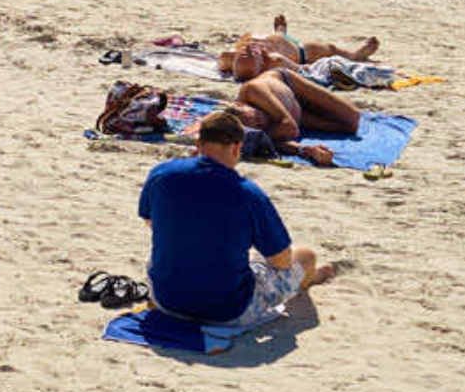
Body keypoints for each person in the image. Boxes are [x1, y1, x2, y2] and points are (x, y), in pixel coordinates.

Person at [138, 108, 334, 328]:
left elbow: (151, 222)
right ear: (237, 147)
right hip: (227, 310)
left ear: (199, 144)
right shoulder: (247, 193)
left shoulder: (161, 173)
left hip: (167, 301)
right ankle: (311, 277)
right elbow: (281, 261)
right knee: (305, 256)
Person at [230, 69, 360, 165]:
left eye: (258, 116)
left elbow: (289, 127)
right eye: (259, 125)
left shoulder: (253, 90)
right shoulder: (251, 125)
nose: (263, 120)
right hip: (295, 113)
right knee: (348, 127)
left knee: (353, 117)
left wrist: (263, 138)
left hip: (290, 84)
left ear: (241, 104)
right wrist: (308, 150)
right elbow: (277, 138)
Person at [218, 15, 382, 81]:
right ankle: (355, 55)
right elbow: (305, 70)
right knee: (329, 48)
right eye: (253, 55)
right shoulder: (275, 62)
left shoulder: (232, 57)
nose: (250, 50)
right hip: (299, 50)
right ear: (260, 65)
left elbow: (223, 60)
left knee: (261, 37)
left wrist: (241, 53)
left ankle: (280, 31)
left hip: (273, 38)